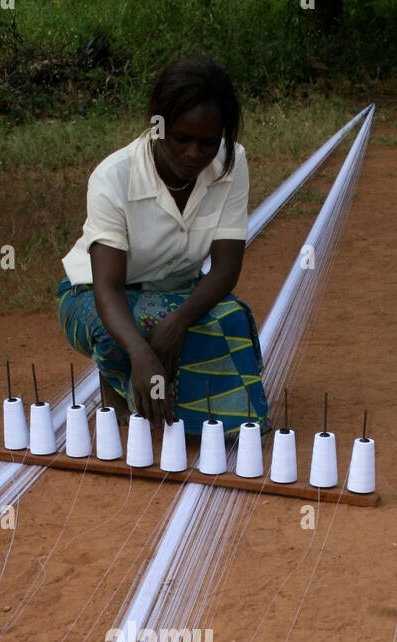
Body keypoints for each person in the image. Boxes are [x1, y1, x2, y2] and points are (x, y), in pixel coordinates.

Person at [57, 57, 270, 437]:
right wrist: (141, 353)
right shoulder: (113, 177)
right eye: (181, 139)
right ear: (158, 125)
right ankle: (118, 380)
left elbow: (225, 268)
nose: (194, 154)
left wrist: (178, 322)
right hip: (93, 296)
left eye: (208, 142)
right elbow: (107, 287)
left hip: (176, 296)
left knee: (231, 319)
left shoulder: (232, 163)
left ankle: (190, 411)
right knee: (126, 334)